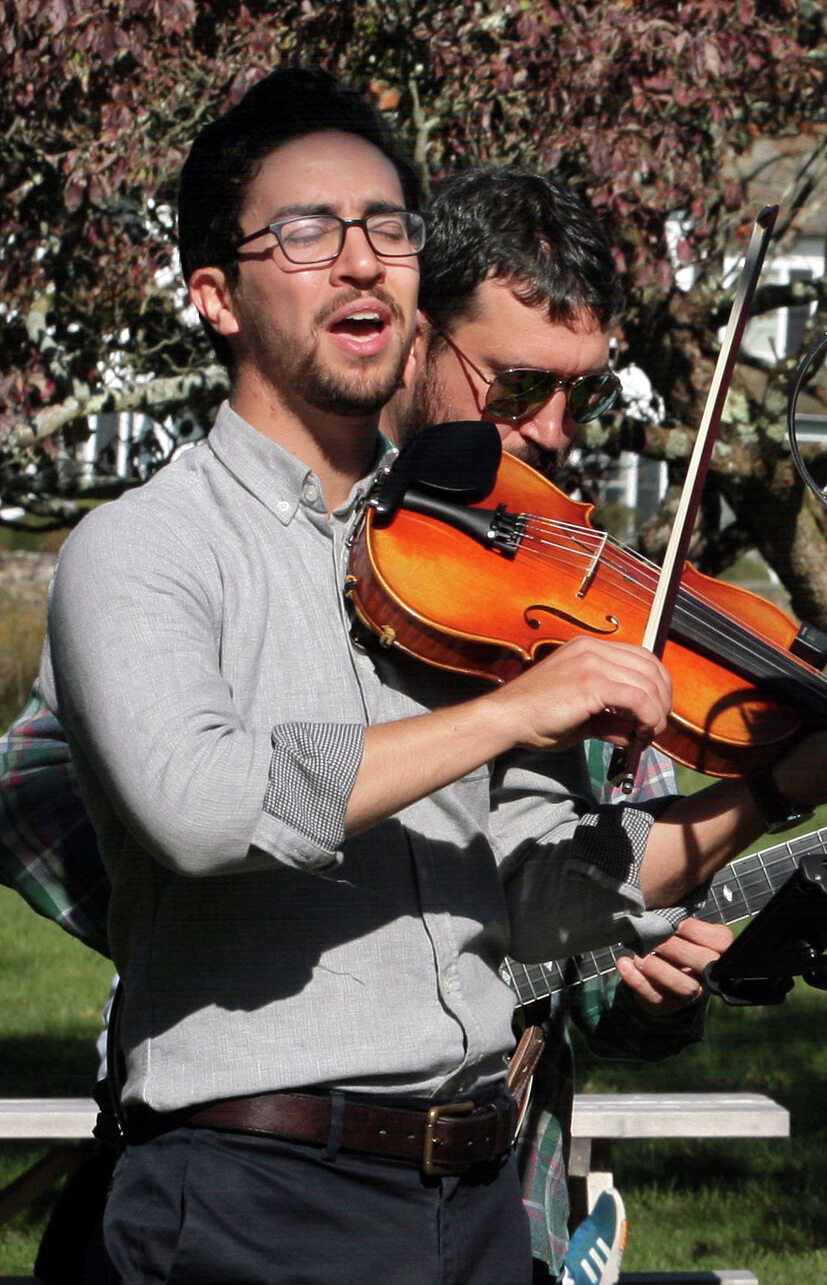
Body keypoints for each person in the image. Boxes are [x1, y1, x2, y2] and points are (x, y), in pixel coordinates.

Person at [36, 66, 827, 1285]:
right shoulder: (145, 547)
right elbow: (203, 807)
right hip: (255, 1191)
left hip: (479, 1196)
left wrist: (782, 785)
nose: (363, 257)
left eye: (388, 227)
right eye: (309, 231)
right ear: (216, 296)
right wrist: (514, 711)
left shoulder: (473, 566)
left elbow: (548, 904)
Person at [1, 163, 725, 1285]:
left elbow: (573, 921)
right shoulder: (176, 545)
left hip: (494, 1177)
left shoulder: (538, 600)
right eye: (518, 387)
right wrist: (257, 923)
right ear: (409, 336)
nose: (552, 434)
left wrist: (759, 801)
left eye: (582, 396)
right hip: (253, 1170)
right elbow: (52, 787)